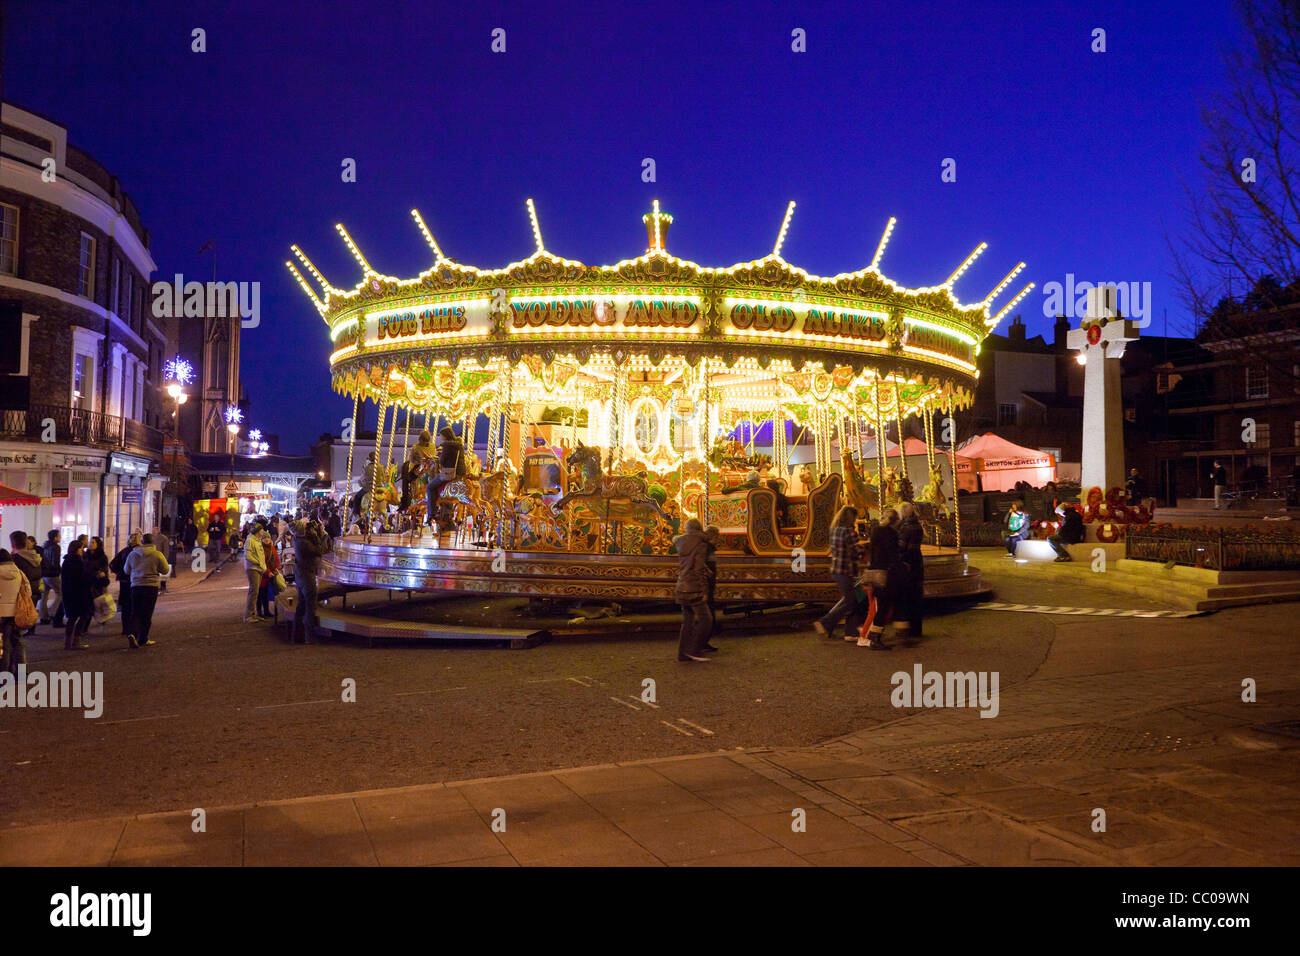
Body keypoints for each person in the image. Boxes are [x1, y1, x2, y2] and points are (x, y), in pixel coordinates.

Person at [813, 506, 861, 640]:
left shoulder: (835, 530)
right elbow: (856, 550)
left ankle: (850, 632)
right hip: (846, 569)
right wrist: (869, 546)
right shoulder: (849, 532)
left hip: (836, 569)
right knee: (850, 601)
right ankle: (825, 623)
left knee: (850, 600)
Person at [857, 508, 901, 649]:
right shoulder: (892, 534)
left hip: (873, 570)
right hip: (884, 573)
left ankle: (873, 636)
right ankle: (871, 637)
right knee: (880, 607)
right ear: (895, 521)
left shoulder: (876, 531)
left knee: (880, 606)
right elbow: (893, 554)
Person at [673, 518, 712, 662]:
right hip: (694, 587)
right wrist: (704, 590)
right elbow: (698, 568)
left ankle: (682, 653)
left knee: (687, 621)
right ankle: (694, 650)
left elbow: (688, 564)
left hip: (682, 584)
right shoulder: (701, 543)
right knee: (706, 620)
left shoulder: (680, 543)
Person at [124, 533, 168, 647]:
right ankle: (143, 638)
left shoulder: (133, 554)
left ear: (142, 542)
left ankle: (132, 634)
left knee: (135, 612)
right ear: (153, 542)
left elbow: (126, 570)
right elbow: (165, 569)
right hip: (151, 586)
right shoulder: (157, 554)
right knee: (147, 613)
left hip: (136, 586)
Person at [291, 518, 329, 644]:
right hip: (307, 576)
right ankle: (309, 637)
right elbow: (319, 550)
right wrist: (320, 536)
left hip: (301, 575)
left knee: (301, 605)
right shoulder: (304, 543)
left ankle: (297, 635)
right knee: (310, 606)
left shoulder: (298, 539)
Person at [0, 549, 31, 678]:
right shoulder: (19, 573)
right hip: (16, 613)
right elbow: (27, 592)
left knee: (4, 643)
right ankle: (22, 672)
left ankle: (3, 673)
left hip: (1, 614)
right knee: (18, 641)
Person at [426, 427, 466, 525]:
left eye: (441, 435)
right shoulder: (459, 445)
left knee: (430, 487)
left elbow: (442, 461)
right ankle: (447, 511)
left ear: (445, 436)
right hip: (460, 473)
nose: (440, 437)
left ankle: (432, 513)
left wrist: (438, 457)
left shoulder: (447, 446)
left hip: (449, 473)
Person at [895, 502, 924, 637]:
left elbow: (901, 547)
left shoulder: (905, 528)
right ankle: (917, 628)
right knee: (917, 595)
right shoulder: (917, 525)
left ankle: (907, 628)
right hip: (917, 560)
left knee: (907, 596)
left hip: (907, 562)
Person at [60, 538, 93, 650]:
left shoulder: (66, 561)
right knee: (84, 615)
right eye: (81, 548)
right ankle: (76, 641)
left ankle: (67, 642)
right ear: (78, 549)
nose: (82, 551)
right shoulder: (79, 562)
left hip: (68, 593)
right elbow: (84, 578)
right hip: (80, 593)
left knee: (72, 617)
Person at [110, 533, 142, 642]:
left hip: (124, 581)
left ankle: (125, 628)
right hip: (133, 581)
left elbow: (112, 564)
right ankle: (132, 629)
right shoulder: (137, 552)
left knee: (125, 606)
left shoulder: (124, 551)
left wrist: (119, 573)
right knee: (134, 605)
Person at [10, 531, 42, 636]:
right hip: (35, 589)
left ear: (13, 544)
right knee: (30, 611)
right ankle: (30, 629)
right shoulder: (35, 557)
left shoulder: (15, 559)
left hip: (21, 593)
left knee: (15, 628)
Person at [243, 522, 267, 623]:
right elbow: (248, 556)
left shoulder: (257, 540)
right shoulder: (250, 541)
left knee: (255, 592)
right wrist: (259, 563)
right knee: (253, 592)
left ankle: (253, 614)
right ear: (257, 531)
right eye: (261, 529)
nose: (263, 531)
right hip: (253, 569)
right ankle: (248, 616)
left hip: (258, 568)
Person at [702, 525, 722, 646]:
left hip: (708, 583)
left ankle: (706, 638)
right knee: (707, 610)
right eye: (717, 536)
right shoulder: (706, 548)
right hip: (706, 584)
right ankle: (704, 638)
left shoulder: (708, 548)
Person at [41, 529, 64, 627]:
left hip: (44, 574)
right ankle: (52, 612)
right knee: (60, 593)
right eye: (59, 536)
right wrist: (59, 571)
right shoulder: (56, 547)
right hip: (53, 574)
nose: (60, 537)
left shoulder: (44, 546)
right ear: (55, 537)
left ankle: (43, 616)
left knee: (44, 596)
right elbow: (56, 562)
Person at [257, 530, 279, 620]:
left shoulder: (272, 548)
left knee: (266, 594)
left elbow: (276, 559)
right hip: (262, 575)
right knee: (260, 594)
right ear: (261, 539)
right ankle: (259, 612)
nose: (266, 539)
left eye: (268, 538)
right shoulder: (260, 549)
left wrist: (277, 568)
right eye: (264, 538)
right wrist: (268, 572)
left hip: (271, 574)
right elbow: (261, 563)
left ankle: (266, 611)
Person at [84, 536, 111, 600]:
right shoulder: (85, 555)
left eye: (93, 542)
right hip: (87, 584)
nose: (90, 544)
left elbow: (104, 571)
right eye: (90, 542)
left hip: (98, 585)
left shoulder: (102, 557)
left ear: (98, 544)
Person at [153, 526, 171, 591]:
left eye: (154, 530)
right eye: (153, 530)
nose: (153, 531)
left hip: (161, 558)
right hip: (153, 558)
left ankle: (163, 587)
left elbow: (166, 549)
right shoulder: (151, 538)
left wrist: (165, 558)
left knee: (163, 573)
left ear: (158, 531)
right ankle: (155, 586)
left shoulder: (163, 538)